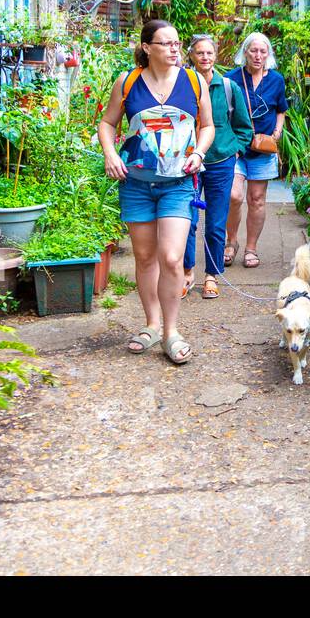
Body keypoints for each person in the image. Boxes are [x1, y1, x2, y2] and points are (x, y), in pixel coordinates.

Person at [98, 19, 214, 364]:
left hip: (177, 185)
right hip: (135, 185)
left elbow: (206, 126)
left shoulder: (194, 81)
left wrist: (198, 153)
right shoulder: (128, 81)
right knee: (145, 258)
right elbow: (107, 123)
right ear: (147, 48)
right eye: (166, 44)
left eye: (178, 43)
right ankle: (150, 324)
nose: (175, 49)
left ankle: (171, 332)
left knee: (172, 257)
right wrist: (110, 154)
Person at [183, 34, 253, 299]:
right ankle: (187, 273)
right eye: (200, 53)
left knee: (215, 224)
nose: (205, 58)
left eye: (209, 53)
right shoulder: (183, 84)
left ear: (215, 55)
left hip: (221, 162)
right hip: (188, 163)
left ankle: (211, 275)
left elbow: (245, 127)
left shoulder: (227, 87)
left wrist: (236, 152)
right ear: (191, 55)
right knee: (186, 221)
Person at [225, 31, 287, 269]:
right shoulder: (231, 79)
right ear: (245, 52)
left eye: (263, 51)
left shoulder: (276, 80)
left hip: (263, 149)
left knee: (257, 200)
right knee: (234, 195)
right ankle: (231, 242)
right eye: (253, 50)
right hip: (236, 148)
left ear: (268, 54)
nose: (258, 55)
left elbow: (281, 109)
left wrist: (277, 133)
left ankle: (251, 248)